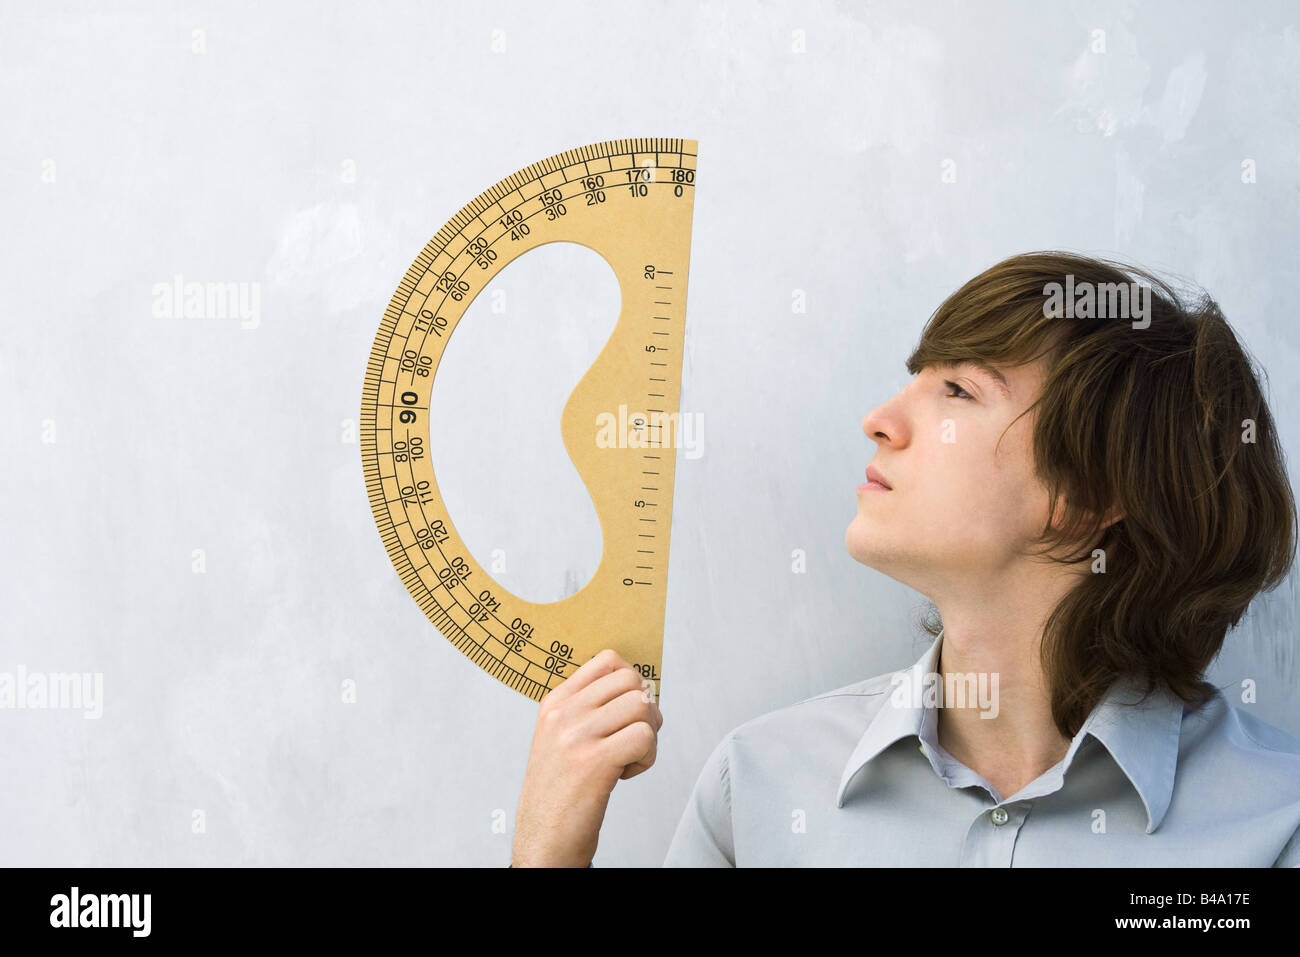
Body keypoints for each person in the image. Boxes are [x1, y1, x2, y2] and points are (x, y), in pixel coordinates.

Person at [510, 250, 1300, 867]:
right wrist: (549, 856)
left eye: (957, 391)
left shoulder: (1276, 822)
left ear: (1090, 493)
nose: (880, 420)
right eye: (913, 379)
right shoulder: (755, 785)